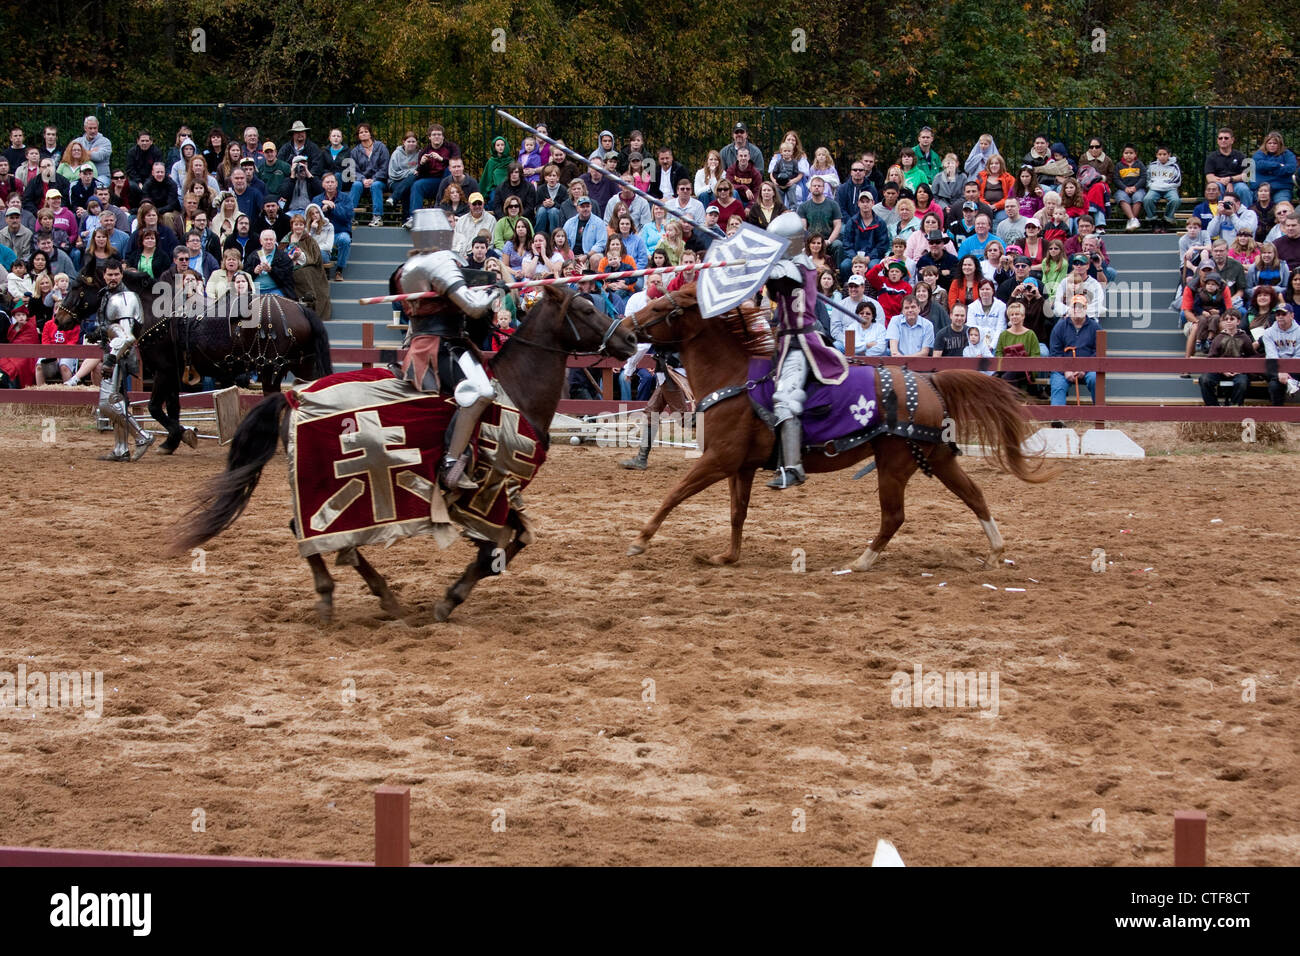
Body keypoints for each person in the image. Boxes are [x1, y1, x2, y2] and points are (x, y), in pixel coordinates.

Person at [392, 209, 503, 489]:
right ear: (443, 233)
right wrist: (496, 290)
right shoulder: (440, 260)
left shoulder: (408, 266)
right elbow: (474, 308)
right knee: (483, 392)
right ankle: (452, 461)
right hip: (444, 345)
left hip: (419, 341)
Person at [763, 210, 849, 489]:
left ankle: (793, 468)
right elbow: (774, 291)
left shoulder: (798, 268)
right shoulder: (794, 267)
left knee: (786, 401)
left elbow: (777, 276)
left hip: (800, 343)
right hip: (786, 341)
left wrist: (757, 263)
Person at [91, 260, 155, 460]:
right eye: (109, 275)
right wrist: (99, 333)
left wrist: (110, 360)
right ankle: (121, 448)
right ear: (104, 275)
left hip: (119, 355)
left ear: (122, 275)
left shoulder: (125, 297)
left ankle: (142, 435)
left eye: (116, 275)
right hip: (112, 351)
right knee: (117, 402)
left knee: (107, 403)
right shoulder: (107, 295)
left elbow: (126, 336)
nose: (112, 278)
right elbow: (109, 327)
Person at [1197, 309, 1257, 406]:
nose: (1228, 321)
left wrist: (1242, 369)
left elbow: (1251, 356)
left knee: (1242, 383)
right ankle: (1213, 407)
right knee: (1204, 380)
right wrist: (1221, 370)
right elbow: (1212, 358)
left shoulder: (1244, 337)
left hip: (1239, 371)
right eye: (1226, 319)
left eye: (1232, 319)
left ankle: (1234, 407)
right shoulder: (1218, 338)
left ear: (1238, 321)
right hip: (1220, 370)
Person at [1049, 294, 1099, 405]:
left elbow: (1098, 352)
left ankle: (1099, 414)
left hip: (1088, 369)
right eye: (1074, 307)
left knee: (1095, 378)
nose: (1077, 310)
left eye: (1081, 307)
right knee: (1058, 384)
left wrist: (1084, 369)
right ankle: (1057, 417)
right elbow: (1055, 353)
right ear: (1069, 309)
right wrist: (1066, 370)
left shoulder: (1095, 327)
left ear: (1086, 309)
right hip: (1063, 369)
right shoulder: (1060, 327)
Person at [1258, 305, 1300, 404]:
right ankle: (1278, 417)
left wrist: (1285, 371)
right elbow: (1271, 355)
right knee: (1274, 385)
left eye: (1284, 314)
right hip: (1276, 369)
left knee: (1274, 382)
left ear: (1292, 315)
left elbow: (1298, 356)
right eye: (1278, 314)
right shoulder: (1268, 332)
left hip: (1296, 367)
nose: (1280, 316)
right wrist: (1281, 371)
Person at [1205, 127, 1253, 207]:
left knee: (1243, 189)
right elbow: (1209, 177)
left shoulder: (1240, 156)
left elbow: (1247, 175)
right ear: (1217, 140)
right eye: (1220, 138)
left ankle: (1246, 215)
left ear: (1232, 140)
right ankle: (1220, 215)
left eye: (1226, 138)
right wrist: (1225, 181)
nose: (1223, 140)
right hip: (1219, 183)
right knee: (1216, 188)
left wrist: (1231, 179)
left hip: (1237, 183)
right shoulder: (1211, 157)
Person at [243, 229, 296, 298]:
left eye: (271, 239)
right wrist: (254, 271)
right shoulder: (253, 255)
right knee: (248, 305)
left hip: (276, 289)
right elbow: (245, 273)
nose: (269, 242)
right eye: (266, 239)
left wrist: (271, 270)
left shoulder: (283, 256)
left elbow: (287, 277)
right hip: (255, 289)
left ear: (275, 241)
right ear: (261, 241)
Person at [1142, 145, 1181, 233]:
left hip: (1170, 188)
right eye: (1160, 154)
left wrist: (1165, 185)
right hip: (1155, 188)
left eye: (1164, 154)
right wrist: (1153, 185)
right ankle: (1153, 221)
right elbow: (1148, 179)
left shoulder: (1174, 167)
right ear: (1156, 155)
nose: (1162, 156)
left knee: (1175, 200)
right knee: (1147, 199)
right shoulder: (1152, 166)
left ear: (1169, 155)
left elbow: (1177, 181)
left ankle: (1167, 220)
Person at [1054, 253, 1106, 320]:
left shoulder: (1095, 284)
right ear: (1073, 266)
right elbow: (1057, 302)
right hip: (1067, 316)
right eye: (1076, 263)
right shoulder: (1065, 282)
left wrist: (1079, 313)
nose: (1078, 266)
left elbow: (1097, 306)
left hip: (1088, 318)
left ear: (1088, 266)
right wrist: (1070, 311)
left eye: (1082, 263)